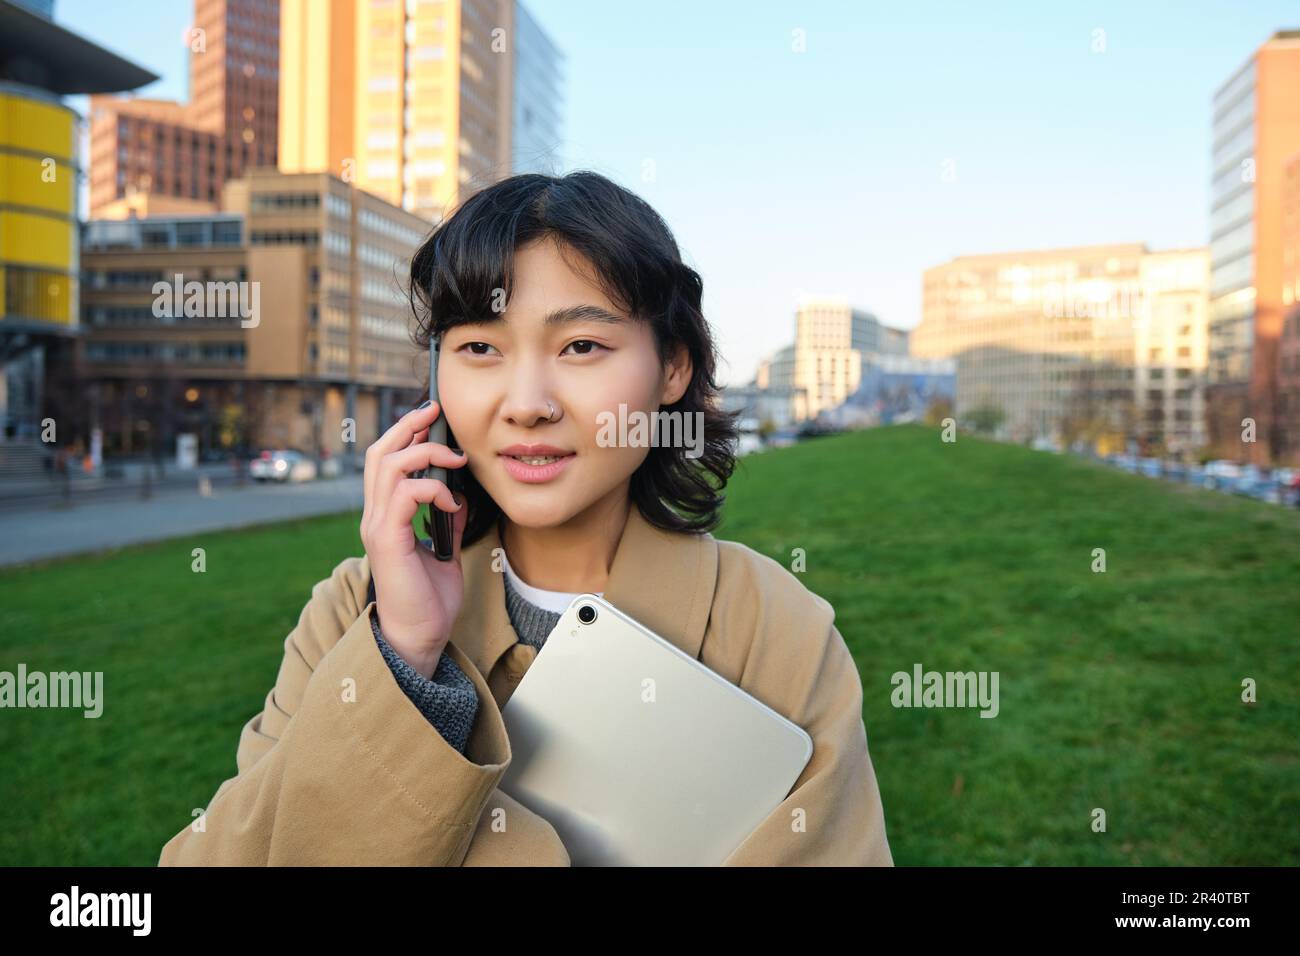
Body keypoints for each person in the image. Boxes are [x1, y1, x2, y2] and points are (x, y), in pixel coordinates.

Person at [158, 171, 893, 866]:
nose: (527, 401)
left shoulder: (776, 633)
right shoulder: (354, 615)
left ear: (673, 368)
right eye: (480, 347)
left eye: (581, 346)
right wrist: (405, 661)